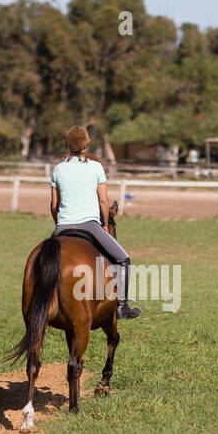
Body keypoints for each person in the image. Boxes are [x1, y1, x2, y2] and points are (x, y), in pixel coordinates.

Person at [50, 126, 141, 319]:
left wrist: (59, 223)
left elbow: (54, 205)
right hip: (89, 225)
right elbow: (103, 201)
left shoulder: (58, 169)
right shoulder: (96, 167)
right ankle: (122, 306)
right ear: (86, 145)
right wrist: (104, 224)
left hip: (62, 226)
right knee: (123, 260)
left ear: (68, 144)